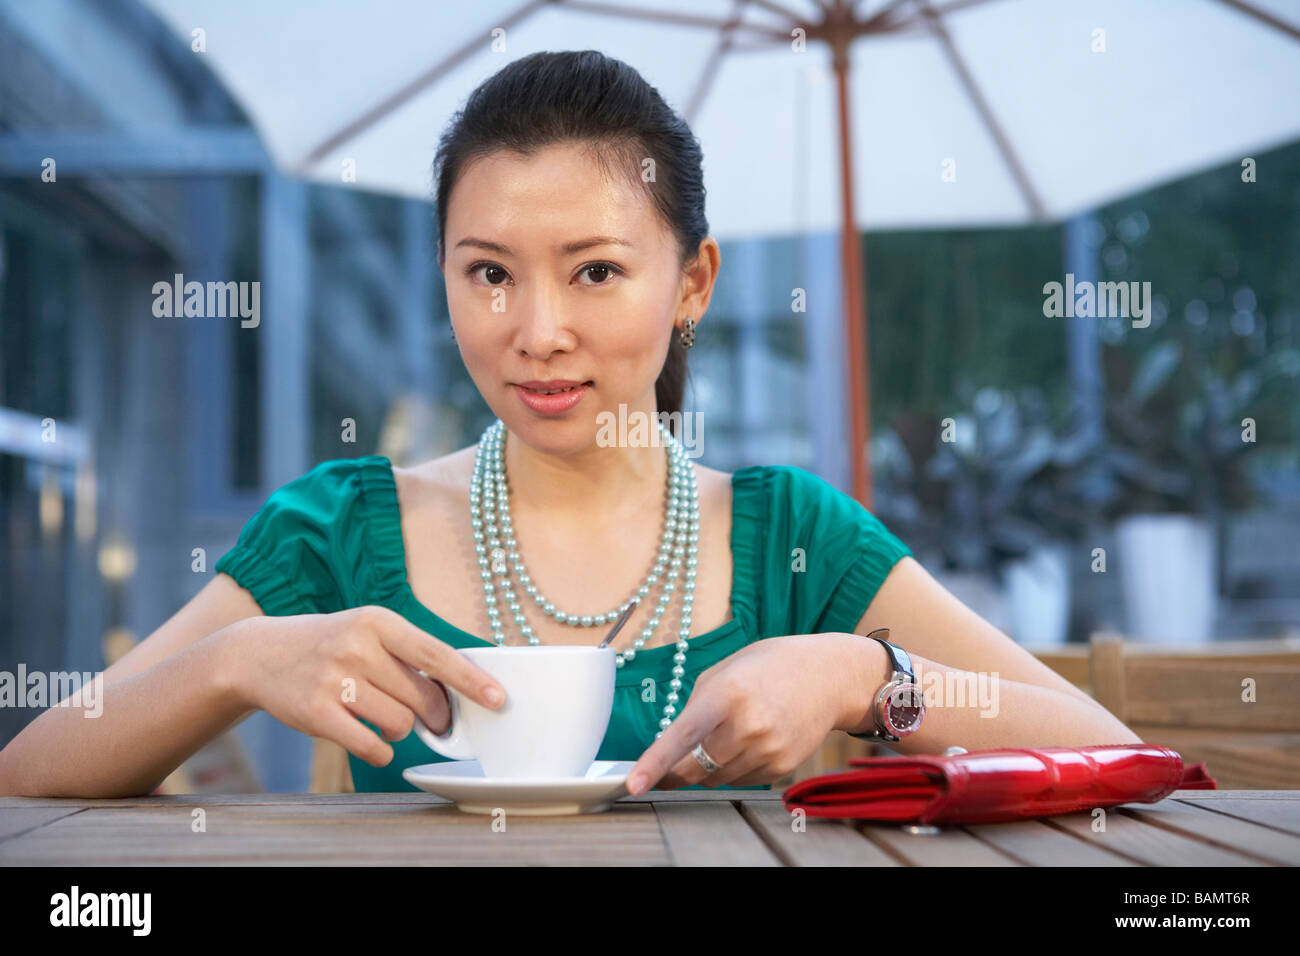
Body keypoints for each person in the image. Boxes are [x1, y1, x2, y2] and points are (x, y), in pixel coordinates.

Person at [0, 51, 1140, 800]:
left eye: (595, 271)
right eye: (488, 272)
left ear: (692, 283)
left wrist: (863, 673)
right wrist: (239, 663)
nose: (535, 330)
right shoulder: (338, 527)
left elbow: (1107, 746)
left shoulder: (795, 535)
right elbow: (27, 780)